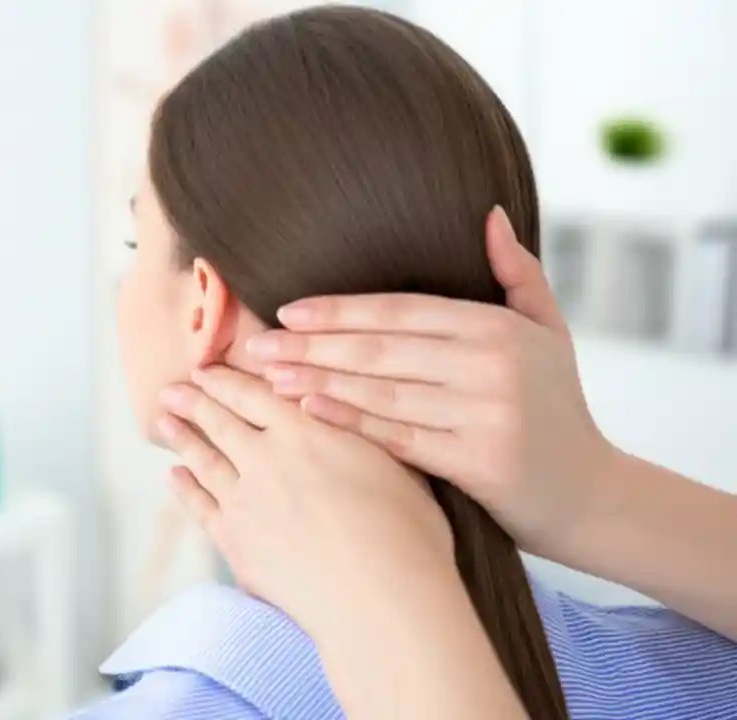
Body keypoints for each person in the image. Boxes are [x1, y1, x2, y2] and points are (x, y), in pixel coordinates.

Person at [72, 6, 737, 720]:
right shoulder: (694, 667)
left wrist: (391, 601)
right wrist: (592, 493)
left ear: (204, 306)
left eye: (138, 247)